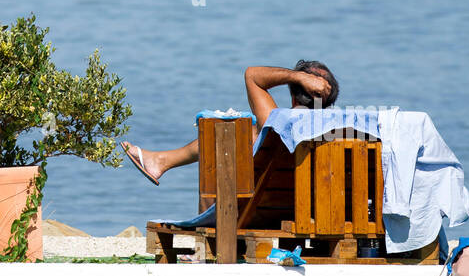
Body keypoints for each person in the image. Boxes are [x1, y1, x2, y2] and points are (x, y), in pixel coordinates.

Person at [121, 60, 339, 185]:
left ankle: (161, 161)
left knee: (232, 136)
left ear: (293, 96)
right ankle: (161, 161)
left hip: (269, 207)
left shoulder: (281, 126)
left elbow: (252, 75)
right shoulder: (342, 131)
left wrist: (297, 76)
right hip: (322, 210)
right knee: (248, 133)